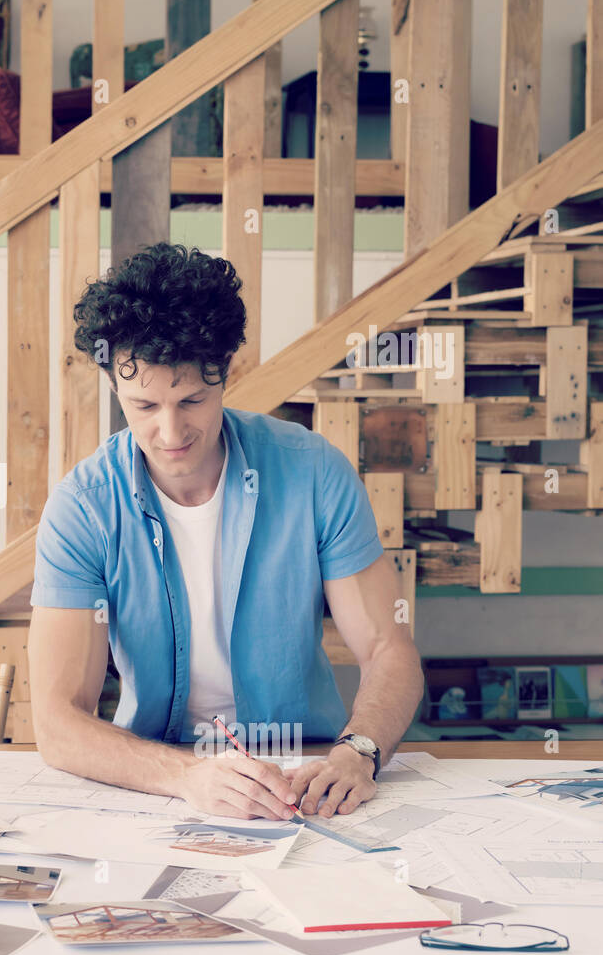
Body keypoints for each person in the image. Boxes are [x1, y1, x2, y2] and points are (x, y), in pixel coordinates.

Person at [28, 242, 425, 821]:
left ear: (224, 374)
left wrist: (359, 752)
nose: (169, 432)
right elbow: (59, 724)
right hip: (157, 778)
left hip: (310, 774)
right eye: (143, 406)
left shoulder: (313, 471)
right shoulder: (82, 509)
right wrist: (188, 776)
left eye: (191, 400)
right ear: (115, 386)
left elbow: (390, 648)